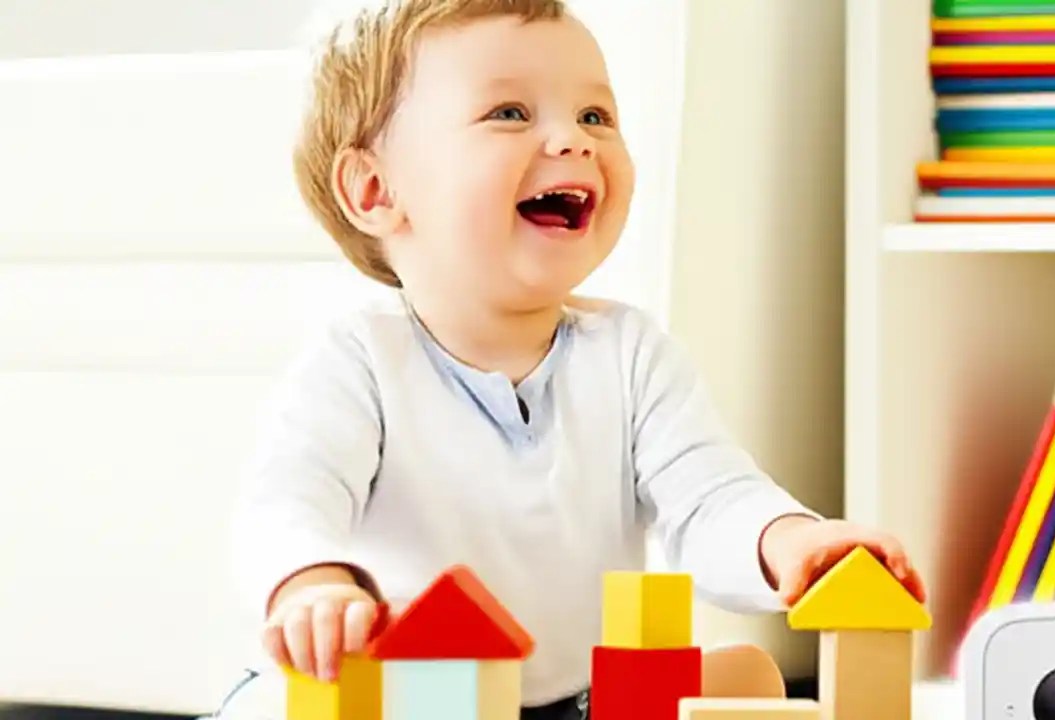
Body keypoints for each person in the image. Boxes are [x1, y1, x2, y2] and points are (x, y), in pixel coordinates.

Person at [213, 1, 927, 718]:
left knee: (736, 679)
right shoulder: (362, 359)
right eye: (510, 113)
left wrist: (790, 542)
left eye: (595, 116)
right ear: (376, 190)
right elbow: (288, 502)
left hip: (574, 702)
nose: (575, 141)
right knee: (271, 709)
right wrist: (314, 584)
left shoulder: (630, 353)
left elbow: (711, 499)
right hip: (408, 696)